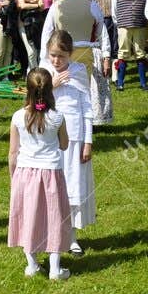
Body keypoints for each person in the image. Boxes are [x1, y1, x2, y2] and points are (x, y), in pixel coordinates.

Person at [6, 68, 73, 282]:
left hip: (25, 173)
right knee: (55, 216)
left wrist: (12, 178)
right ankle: (55, 268)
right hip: (51, 173)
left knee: (28, 216)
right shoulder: (57, 117)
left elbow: (13, 154)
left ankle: (32, 265)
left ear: (28, 90)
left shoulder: (18, 117)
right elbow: (64, 145)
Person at [41, 29, 95, 257]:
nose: (56, 60)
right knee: (51, 187)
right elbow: (32, 103)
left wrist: (88, 141)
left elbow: (87, 107)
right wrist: (50, 85)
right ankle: (51, 233)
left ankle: (71, 235)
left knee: (72, 186)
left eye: (61, 56)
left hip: (74, 138)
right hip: (49, 140)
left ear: (70, 54)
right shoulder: (43, 71)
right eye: (53, 55)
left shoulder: (79, 71)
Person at [112, 0, 148, 91]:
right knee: (123, 53)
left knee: (140, 52)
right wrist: (119, 23)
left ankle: (143, 83)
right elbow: (114, 9)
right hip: (124, 26)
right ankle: (120, 82)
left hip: (139, 25)